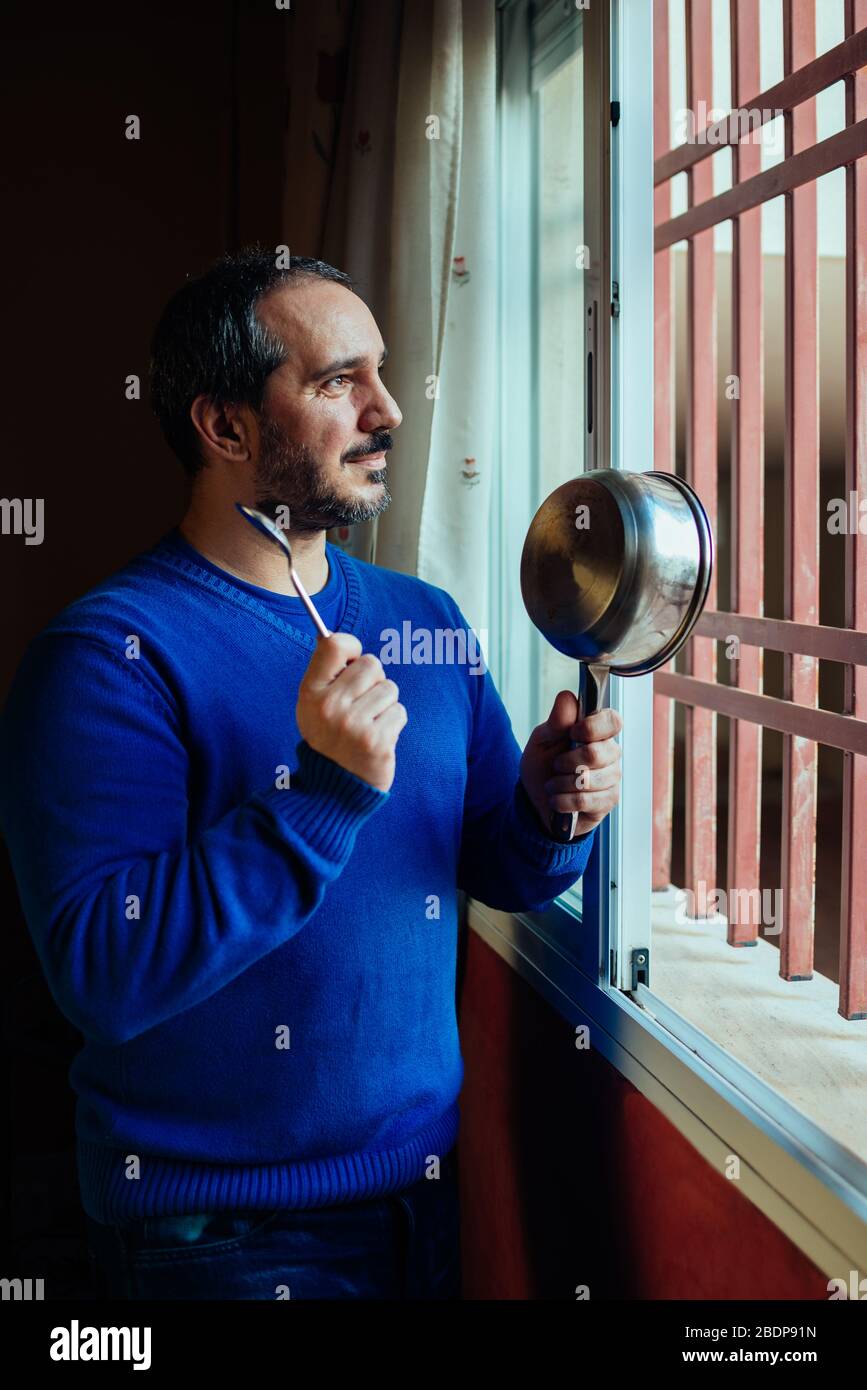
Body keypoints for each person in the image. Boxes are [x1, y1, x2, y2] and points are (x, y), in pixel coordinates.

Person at [0, 248, 623, 1300]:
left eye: (381, 371)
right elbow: (105, 975)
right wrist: (319, 795)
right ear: (226, 427)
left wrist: (549, 810)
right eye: (339, 381)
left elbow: (494, 869)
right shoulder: (107, 657)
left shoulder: (425, 623)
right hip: (214, 1235)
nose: (386, 408)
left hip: (420, 1195)